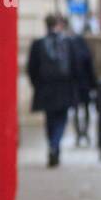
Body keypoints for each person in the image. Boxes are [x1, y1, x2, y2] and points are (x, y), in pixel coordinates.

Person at [27, 14, 75, 167]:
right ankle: (55, 145)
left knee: (50, 120)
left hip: (45, 87)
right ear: (59, 24)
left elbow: (31, 68)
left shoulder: (38, 44)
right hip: (63, 87)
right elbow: (75, 66)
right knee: (61, 119)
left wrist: (37, 85)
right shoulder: (68, 42)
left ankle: (53, 145)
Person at [68, 27, 98, 146]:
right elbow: (91, 71)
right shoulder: (86, 52)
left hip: (74, 86)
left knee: (75, 111)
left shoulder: (71, 53)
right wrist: (94, 86)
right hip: (85, 86)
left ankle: (78, 133)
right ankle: (85, 132)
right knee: (86, 110)